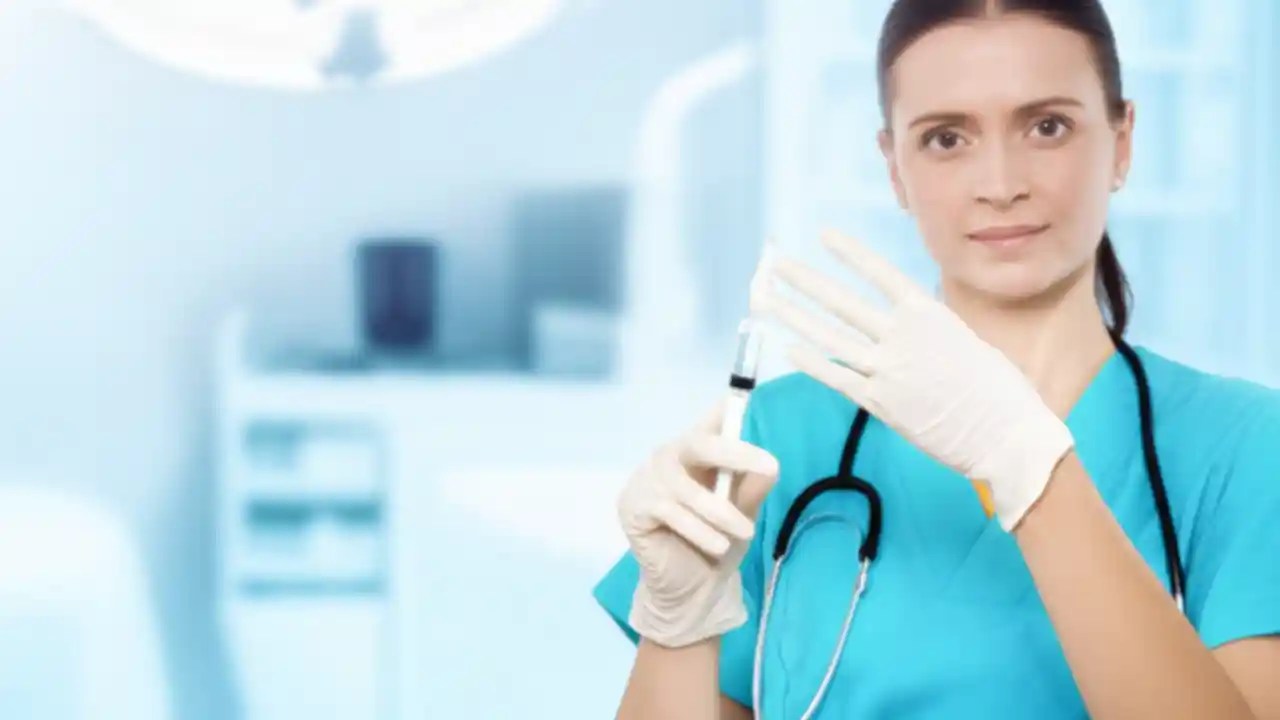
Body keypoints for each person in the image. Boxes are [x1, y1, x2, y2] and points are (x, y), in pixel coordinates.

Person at [592, 1, 1280, 718]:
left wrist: (1032, 474)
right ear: (894, 167)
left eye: (1048, 127)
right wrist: (677, 628)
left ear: (1123, 140)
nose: (1001, 182)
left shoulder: (1248, 446)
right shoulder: (782, 436)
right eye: (947, 138)